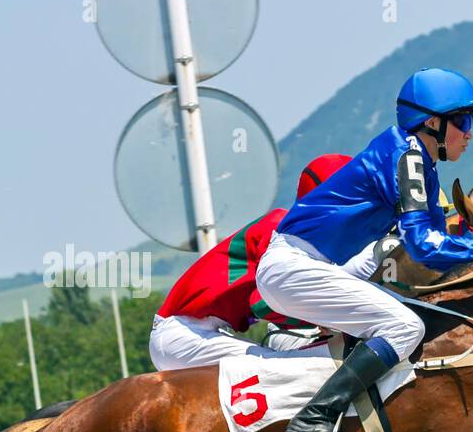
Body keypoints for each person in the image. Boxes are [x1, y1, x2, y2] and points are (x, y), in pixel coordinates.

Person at [255, 67, 473, 432]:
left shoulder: (420, 164)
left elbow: (437, 250)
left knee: (409, 316)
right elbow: (424, 246)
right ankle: (316, 416)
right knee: (405, 326)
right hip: (294, 267)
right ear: (432, 123)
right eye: (463, 121)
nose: (469, 133)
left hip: (306, 267)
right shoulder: (408, 158)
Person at [148, 155, 352, 371]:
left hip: (192, 331)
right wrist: (325, 319)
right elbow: (261, 303)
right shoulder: (280, 233)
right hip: (184, 334)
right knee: (286, 370)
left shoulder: (288, 231)